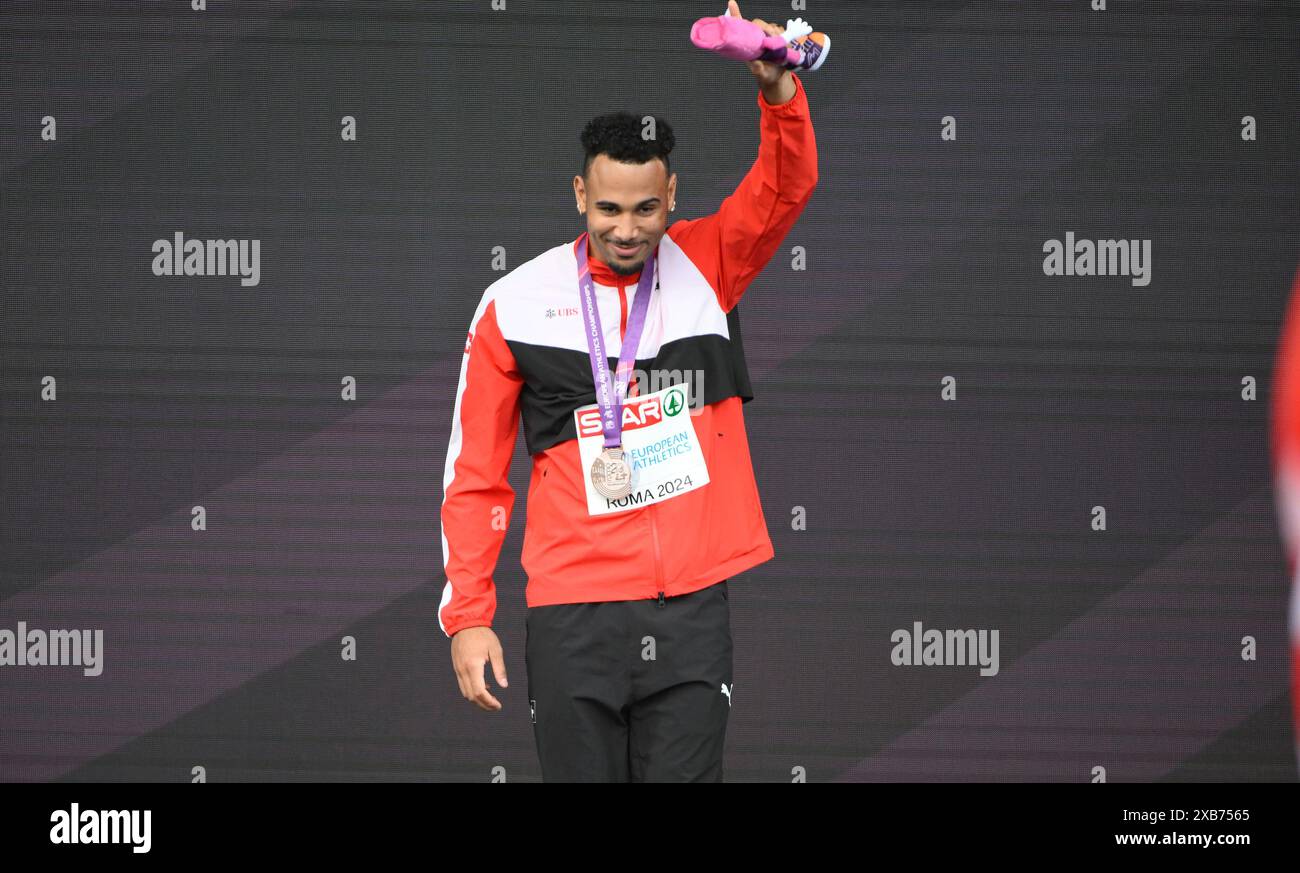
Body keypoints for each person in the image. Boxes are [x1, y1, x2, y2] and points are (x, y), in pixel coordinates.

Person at [439, 1, 818, 781]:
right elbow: (475, 476)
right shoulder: (513, 303)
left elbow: (785, 187)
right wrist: (469, 616)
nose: (626, 228)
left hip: (688, 610)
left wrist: (778, 90)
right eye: (608, 208)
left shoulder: (709, 265)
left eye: (646, 208)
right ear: (579, 193)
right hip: (572, 610)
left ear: (672, 195)